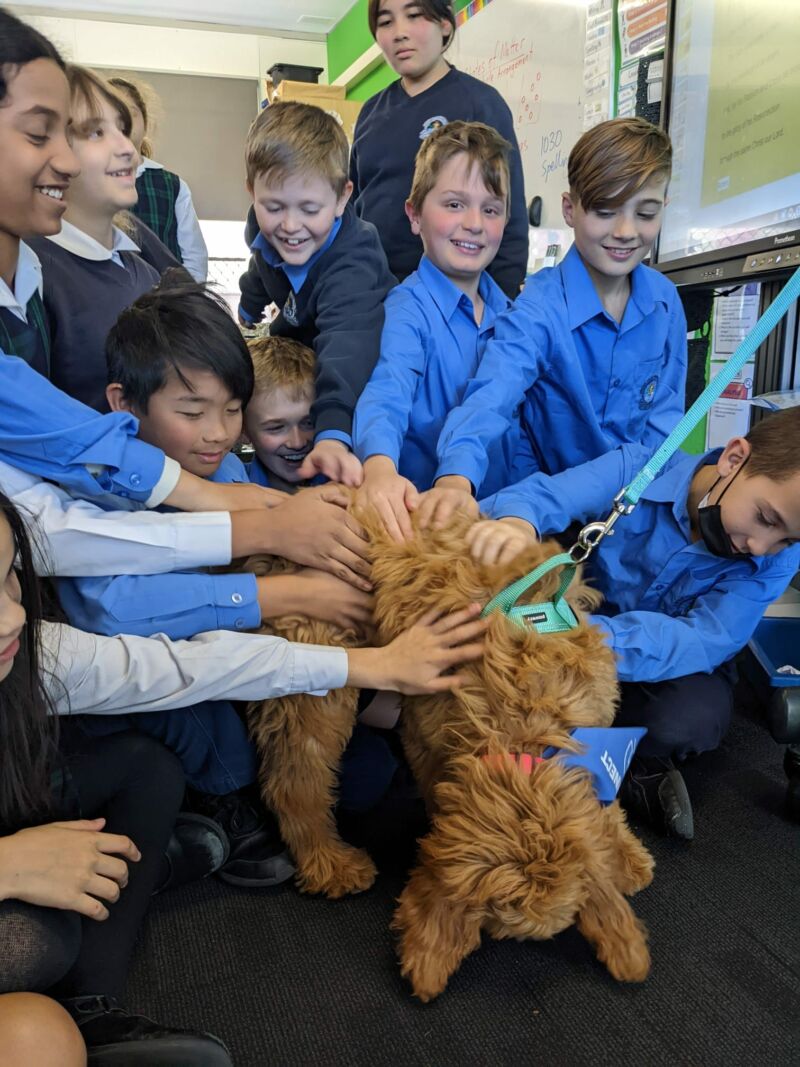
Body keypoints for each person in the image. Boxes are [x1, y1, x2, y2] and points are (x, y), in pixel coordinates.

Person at [0, 486, 486, 1061]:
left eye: (10, 575)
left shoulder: (35, 653)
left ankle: (94, 1009)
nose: (15, 615)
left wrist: (372, 664)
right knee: (40, 944)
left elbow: (173, 667)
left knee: (146, 767)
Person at [470, 407, 800, 839]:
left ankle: (621, 760)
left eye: (787, 540)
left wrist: (580, 642)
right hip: (577, 621)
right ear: (734, 459)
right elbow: (542, 497)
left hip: (661, 659)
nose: (759, 547)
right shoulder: (636, 466)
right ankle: (600, 753)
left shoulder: (774, 559)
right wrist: (517, 522)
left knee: (691, 720)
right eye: (766, 518)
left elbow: (707, 638)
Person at [431, 117, 687, 523]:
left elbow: (664, 427)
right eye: (605, 211)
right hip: (546, 522)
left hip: (636, 519)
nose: (625, 231)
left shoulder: (665, 303)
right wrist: (455, 479)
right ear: (570, 209)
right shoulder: (538, 308)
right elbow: (491, 395)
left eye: (646, 213)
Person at [353, 120, 524, 541]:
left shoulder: (514, 316)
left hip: (500, 523)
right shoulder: (407, 309)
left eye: (491, 209)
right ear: (414, 215)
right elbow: (387, 391)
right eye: (453, 204)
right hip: (426, 529)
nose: (474, 223)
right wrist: (378, 470)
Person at [237, 100, 396, 486]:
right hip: (304, 339)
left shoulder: (352, 262)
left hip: (360, 364)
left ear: (342, 198)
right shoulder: (263, 229)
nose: (290, 226)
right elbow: (261, 266)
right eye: (273, 207)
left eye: (309, 209)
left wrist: (332, 435)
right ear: (252, 193)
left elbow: (347, 344)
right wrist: (248, 307)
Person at [350, 0, 528, 298]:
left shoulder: (481, 103)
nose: (399, 33)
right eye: (385, 22)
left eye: (414, 16)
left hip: (455, 301)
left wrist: (500, 307)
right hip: (374, 297)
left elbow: (509, 215)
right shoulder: (370, 114)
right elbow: (353, 210)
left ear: (445, 24)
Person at [25, 66, 179, 412]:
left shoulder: (146, 275)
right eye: (95, 133)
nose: (130, 150)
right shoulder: (31, 274)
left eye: (123, 131)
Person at [109, 75, 208, 282]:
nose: (122, 123)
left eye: (131, 113)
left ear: (145, 123)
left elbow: (194, 258)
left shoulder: (172, 186)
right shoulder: (89, 180)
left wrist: (185, 300)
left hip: (164, 303)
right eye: (113, 115)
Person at [243, 334, 317, 491]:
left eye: (309, 423)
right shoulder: (228, 489)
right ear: (243, 430)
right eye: (276, 428)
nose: (297, 443)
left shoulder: (355, 485)